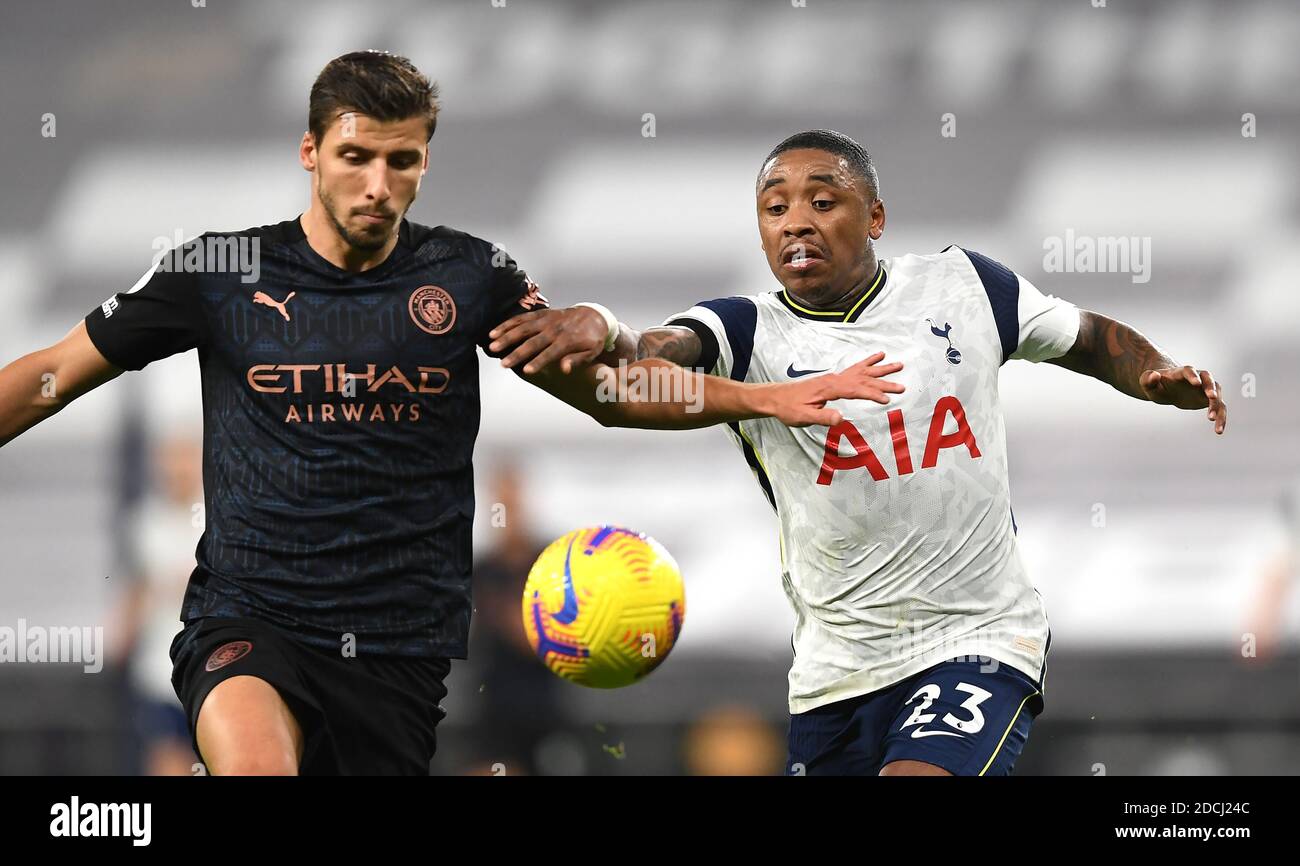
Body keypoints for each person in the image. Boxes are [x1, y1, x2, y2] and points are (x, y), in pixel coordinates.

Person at [0, 56, 900, 776]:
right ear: (310, 152)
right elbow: (52, 373)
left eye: (402, 160)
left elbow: (614, 397)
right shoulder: (220, 271)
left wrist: (762, 399)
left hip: (399, 645)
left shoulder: (468, 276)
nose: (378, 183)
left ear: (425, 160)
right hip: (250, 614)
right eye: (355, 156)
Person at [491, 129, 1228, 776]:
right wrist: (607, 328)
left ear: (874, 216)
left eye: (822, 200)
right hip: (836, 674)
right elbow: (650, 361)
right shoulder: (745, 332)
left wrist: (1155, 374)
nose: (796, 222)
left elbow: (1087, 336)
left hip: (976, 640)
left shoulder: (964, 285)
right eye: (774, 209)